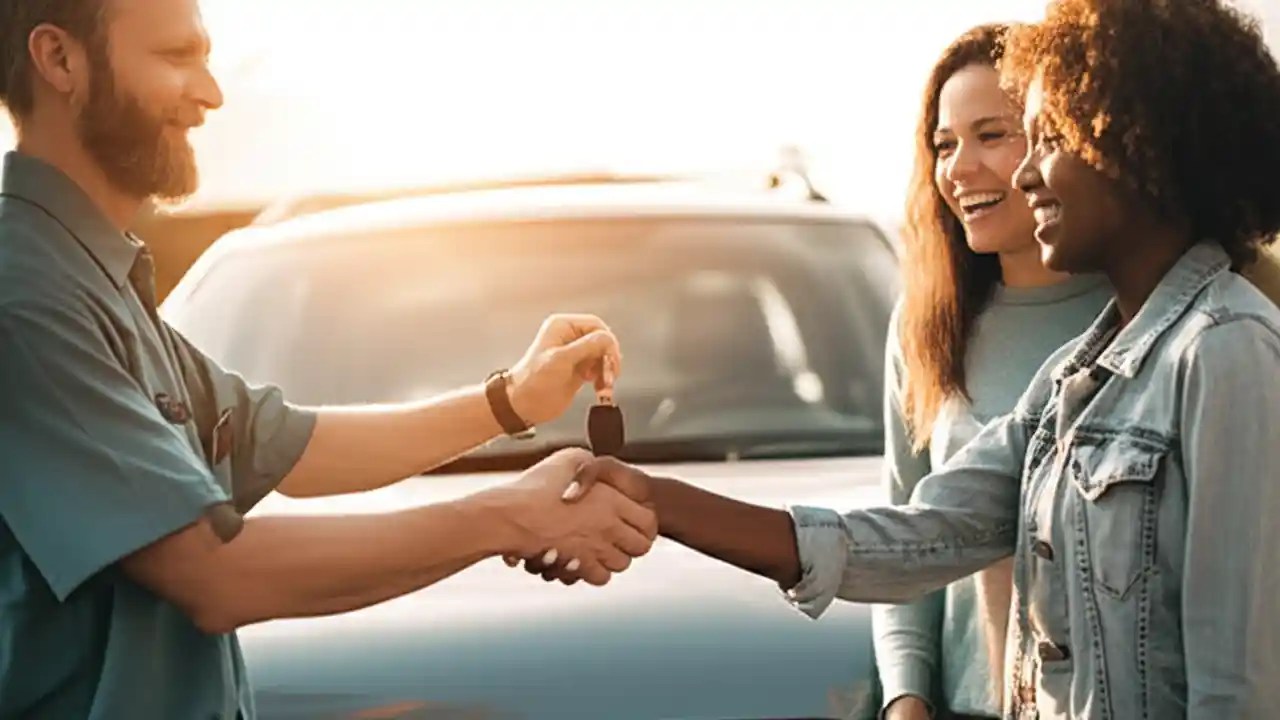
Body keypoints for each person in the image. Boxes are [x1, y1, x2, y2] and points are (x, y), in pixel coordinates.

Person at [528, 0, 1280, 717]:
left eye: (1045, 139)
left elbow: (1239, 686)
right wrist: (659, 500)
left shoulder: (1226, 351)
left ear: (1133, 144)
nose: (1021, 175)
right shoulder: (1075, 378)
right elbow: (915, 536)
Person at [0, 1, 655, 718]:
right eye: (176, 56)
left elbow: (289, 446)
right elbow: (216, 575)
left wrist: (510, 402)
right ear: (60, 60)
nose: (212, 94)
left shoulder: (89, 279)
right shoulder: (26, 298)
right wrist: (510, 516)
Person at [874, 22, 1113, 720]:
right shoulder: (925, 326)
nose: (959, 168)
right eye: (944, 144)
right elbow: (900, 536)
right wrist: (906, 700)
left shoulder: (1137, 314)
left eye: (991, 134)